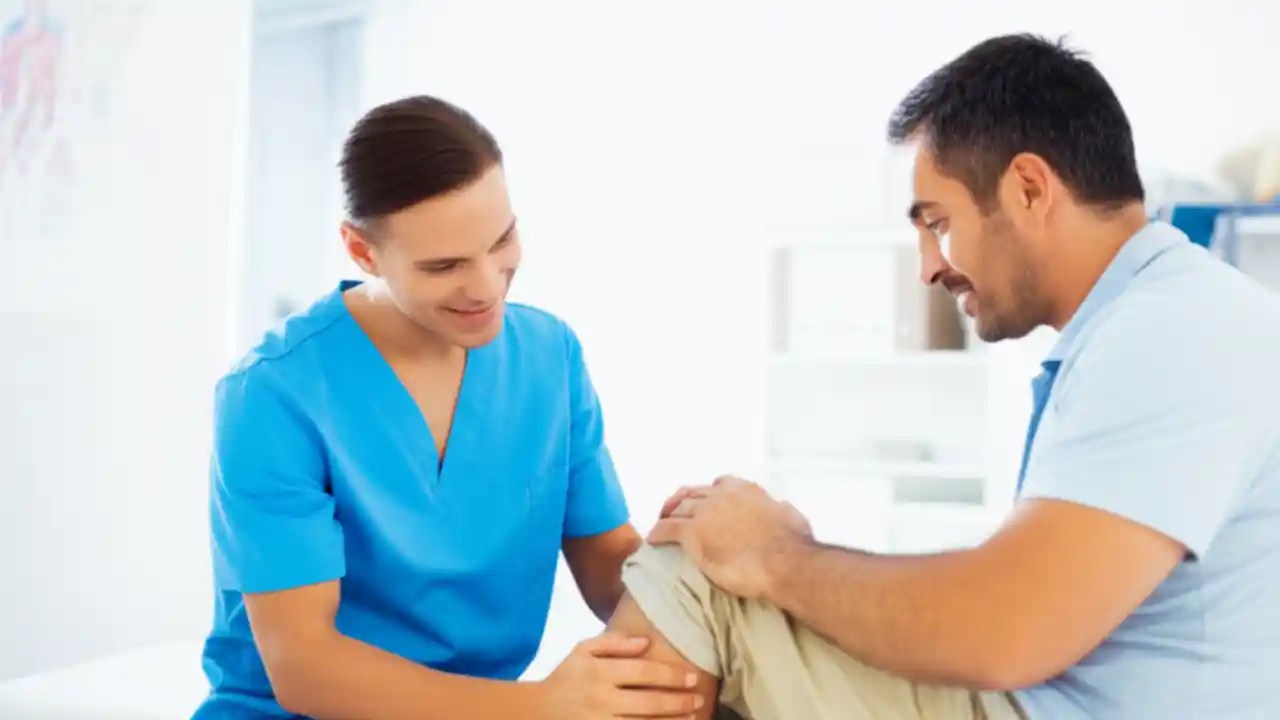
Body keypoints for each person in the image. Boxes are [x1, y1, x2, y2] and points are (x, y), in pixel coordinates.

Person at [602, 34, 1280, 720]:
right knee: (722, 589)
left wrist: (778, 556)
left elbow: (1009, 629)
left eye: (938, 223)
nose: (929, 267)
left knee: (696, 579)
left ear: (1029, 189)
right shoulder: (1163, 318)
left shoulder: (1174, 332)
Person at [193, 96, 703, 719]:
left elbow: (603, 561)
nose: (487, 285)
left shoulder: (550, 355)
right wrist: (538, 707)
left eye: (502, 239)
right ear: (363, 251)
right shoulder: (273, 394)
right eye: (444, 266)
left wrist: (689, 570)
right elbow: (305, 667)